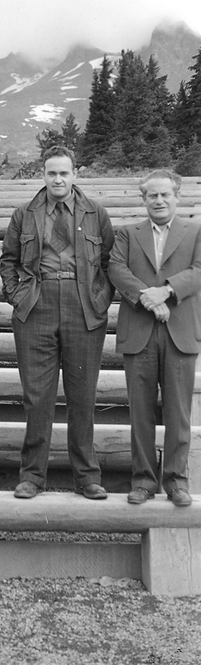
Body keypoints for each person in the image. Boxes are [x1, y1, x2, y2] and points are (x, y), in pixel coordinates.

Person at [0, 145, 115, 500]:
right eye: (52, 173)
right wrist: (18, 296)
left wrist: (99, 300)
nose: (58, 179)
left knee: (83, 395)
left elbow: (110, 263)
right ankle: (32, 476)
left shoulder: (96, 213)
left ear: (75, 174)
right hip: (37, 303)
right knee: (37, 397)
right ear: (43, 175)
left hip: (83, 306)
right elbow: (8, 261)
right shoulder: (24, 214)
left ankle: (87, 477)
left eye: (64, 173)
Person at [108, 169, 201, 507]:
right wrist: (148, 298)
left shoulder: (195, 231)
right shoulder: (127, 234)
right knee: (141, 413)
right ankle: (143, 481)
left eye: (165, 195)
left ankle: (176, 482)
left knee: (179, 413)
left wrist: (167, 292)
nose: (159, 201)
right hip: (139, 332)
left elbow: (199, 270)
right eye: (152, 195)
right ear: (143, 199)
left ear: (177, 196)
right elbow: (117, 269)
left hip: (181, 333)